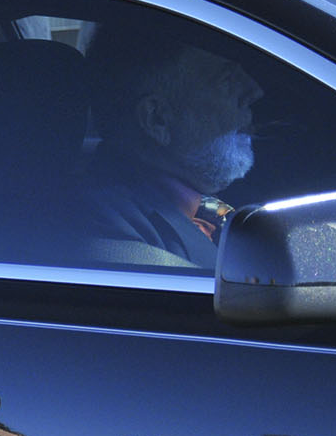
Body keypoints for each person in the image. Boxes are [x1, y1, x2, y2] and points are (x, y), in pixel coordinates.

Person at [79, 25, 262, 269]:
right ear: (158, 119)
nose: (254, 91)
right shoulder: (116, 238)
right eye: (227, 80)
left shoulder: (191, 202)